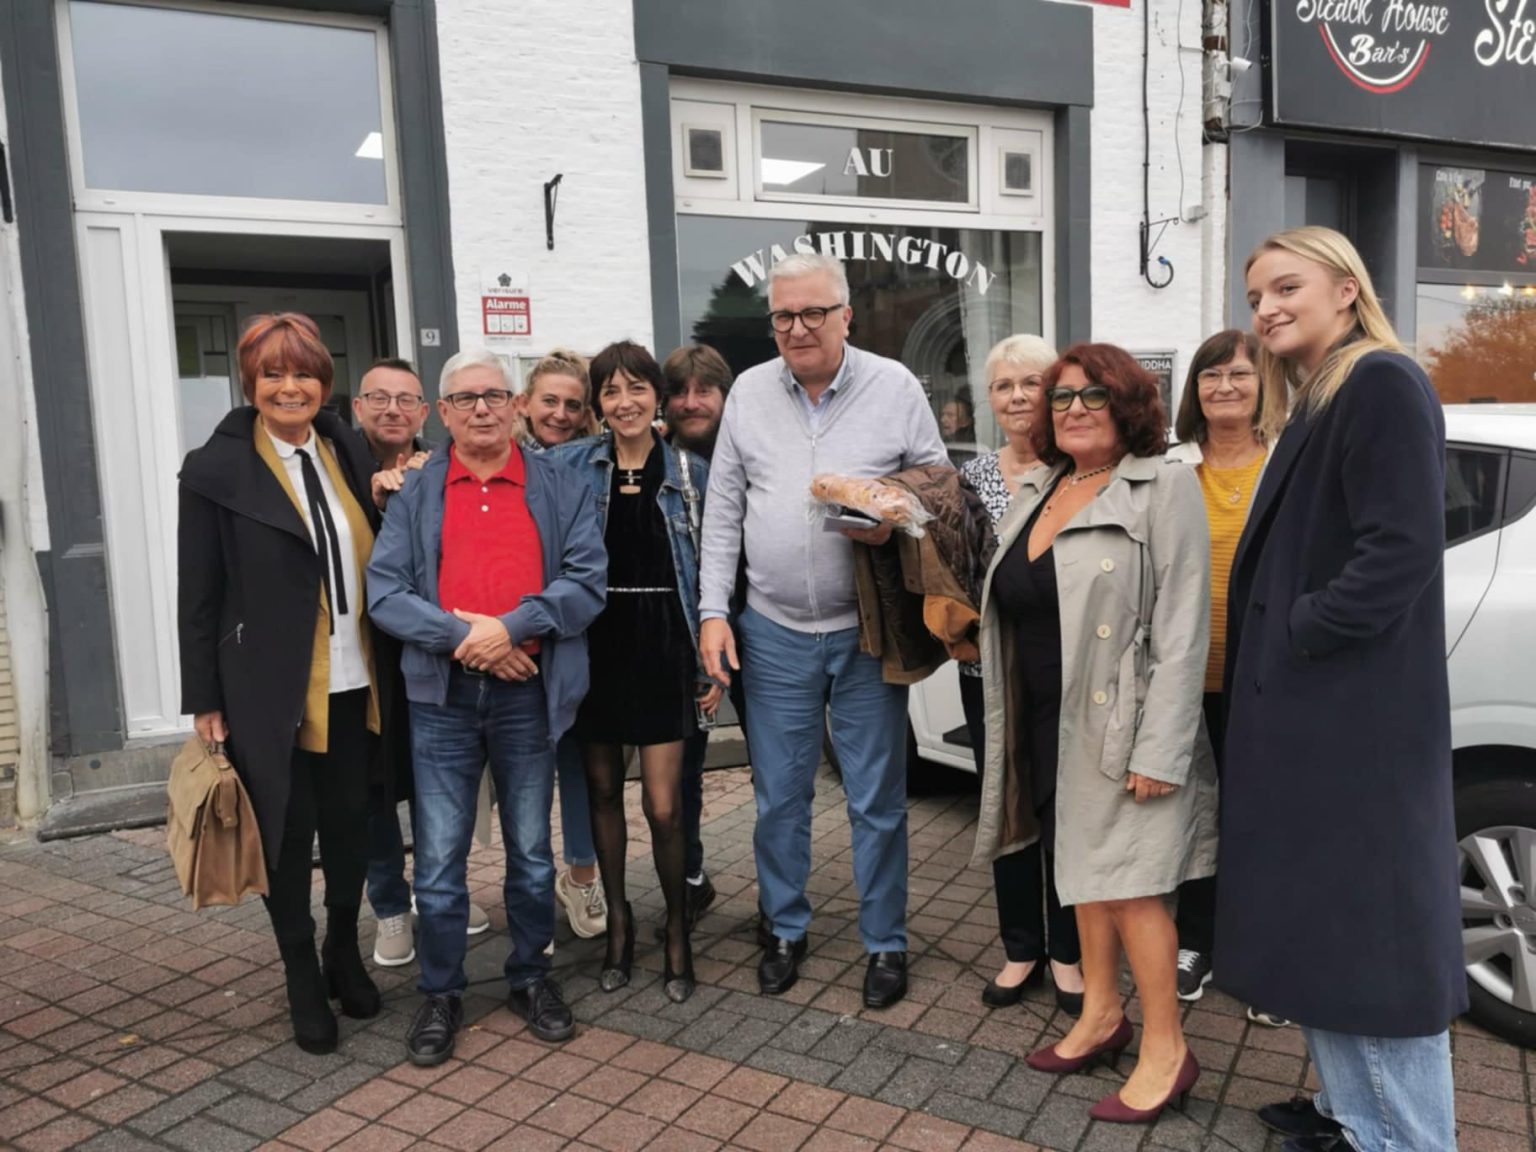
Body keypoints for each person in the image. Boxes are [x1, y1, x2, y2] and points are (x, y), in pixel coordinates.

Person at [1225, 226, 1463, 1151]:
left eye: (1285, 286)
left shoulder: (1381, 382)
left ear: (1346, 290)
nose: (1266, 308)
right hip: (1321, 725)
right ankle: (1360, 1125)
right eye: (1254, 298)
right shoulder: (1325, 395)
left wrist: (1299, 631)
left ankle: (1409, 1141)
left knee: (1376, 955)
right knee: (1331, 942)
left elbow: (1400, 548)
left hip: (1352, 728)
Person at [973, 343, 1217, 1125]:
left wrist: (1161, 747)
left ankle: (1167, 1050)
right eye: (1062, 397)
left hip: (1126, 723)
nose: (1074, 408)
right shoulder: (1042, 485)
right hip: (1047, 718)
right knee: (1081, 873)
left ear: (1129, 406)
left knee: (1134, 889)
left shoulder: (1163, 486)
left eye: (1094, 396)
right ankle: (1102, 1016)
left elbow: (1185, 628)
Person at [698, 252, 948, 1008]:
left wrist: (890, 513)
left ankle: (885, 942)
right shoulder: (747, 391)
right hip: (771, 627)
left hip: (865, 628)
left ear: (846, 315)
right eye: (782, 316)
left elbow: (938, 487)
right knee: (779, 795)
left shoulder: (894, 387)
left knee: (877, 795)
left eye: (813, 313)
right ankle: (783, 926)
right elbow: (724, 512)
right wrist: (713, 612)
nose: (797, 328)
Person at [367, 348, 606, 1061]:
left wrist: (513, 627)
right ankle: (441, 992)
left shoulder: (559, 486)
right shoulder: (416, 492)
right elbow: (385, 595)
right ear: (442, 413)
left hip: (528, 693)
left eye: (494, 395)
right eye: (465, 398)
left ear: (516, 405)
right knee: (440, 859)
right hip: (442, 697)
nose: (481, 408)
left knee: (532, 854)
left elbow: (587, 582)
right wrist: (466, 636)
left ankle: (531, 976)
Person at [178, 313, 396, 1055]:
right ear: (251, 384)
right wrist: (204, 697)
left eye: (302, 372)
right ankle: (301, 971)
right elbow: (198, 593)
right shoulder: (214, 470)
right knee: (283, 836)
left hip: (354, 681)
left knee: (348, 832)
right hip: (267, 691)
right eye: (273, 373)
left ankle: (343, 947)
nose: (289, 386)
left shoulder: (344, 446)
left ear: (323, 384)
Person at [553, 340, 717, 1005]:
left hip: (665, 643)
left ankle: (677, 932)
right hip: (593, 643)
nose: (624, 402)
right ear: (597, 403)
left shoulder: (690, 469)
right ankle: (619, 926)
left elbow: (716, 567)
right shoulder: (569, 466)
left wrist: (714, 660)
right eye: (610, 391)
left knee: (664, 805)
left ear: (658, 395)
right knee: (598, 794)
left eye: (636, 388)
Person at [957, 335, 1084, 1016]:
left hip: (1067, 667)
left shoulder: (1083, 471)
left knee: (1066, 809)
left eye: (1029, 384)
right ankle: (1020, 949)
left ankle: (1069, 954)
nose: (1015, 398)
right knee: (1005, 801)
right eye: (1002, 387)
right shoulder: (973, 477)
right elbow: (951, 569)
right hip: (990, 670)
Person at [352, 359, 492, 965]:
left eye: (406, 400)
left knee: (445, 786)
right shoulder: (338, 472)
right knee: (375, 790)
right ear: (357, 407)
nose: (393, 410)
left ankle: (445, 894)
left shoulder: (442, 467)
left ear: (427, 411)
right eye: (379, 398)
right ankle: (389, 907)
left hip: (440, 652)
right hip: (365, 657)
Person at [1165, 331, 1288, 1021]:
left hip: (1265, 678)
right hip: (1191, 675)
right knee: (1197, 815)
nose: (1225, 388)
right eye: (1210, 376)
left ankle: (1266, 957)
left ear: (1264, 383)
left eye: (1239, 374)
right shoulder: (1173, 464)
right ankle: (1198, 941)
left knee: (1264, 819)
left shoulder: (1285, 464)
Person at [516, 350, 607, 942]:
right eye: (550, 400)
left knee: (581, 763)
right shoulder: (499, 457)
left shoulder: (597, 463)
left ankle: (580, 874)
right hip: (513, 637)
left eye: (574, 404)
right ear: (524, 403)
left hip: (578, 631)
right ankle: (527, 888)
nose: (561, 413)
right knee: (523, 772)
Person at [660, 342, 739, 934]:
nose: (691, 403)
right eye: (681, 391)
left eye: (703, 390)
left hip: (756, 623)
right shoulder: (659, 458)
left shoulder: (746, 448)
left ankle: (780, 900)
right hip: (686, 636)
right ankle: (689, 881)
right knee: (684, 769)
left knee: (780, 772)